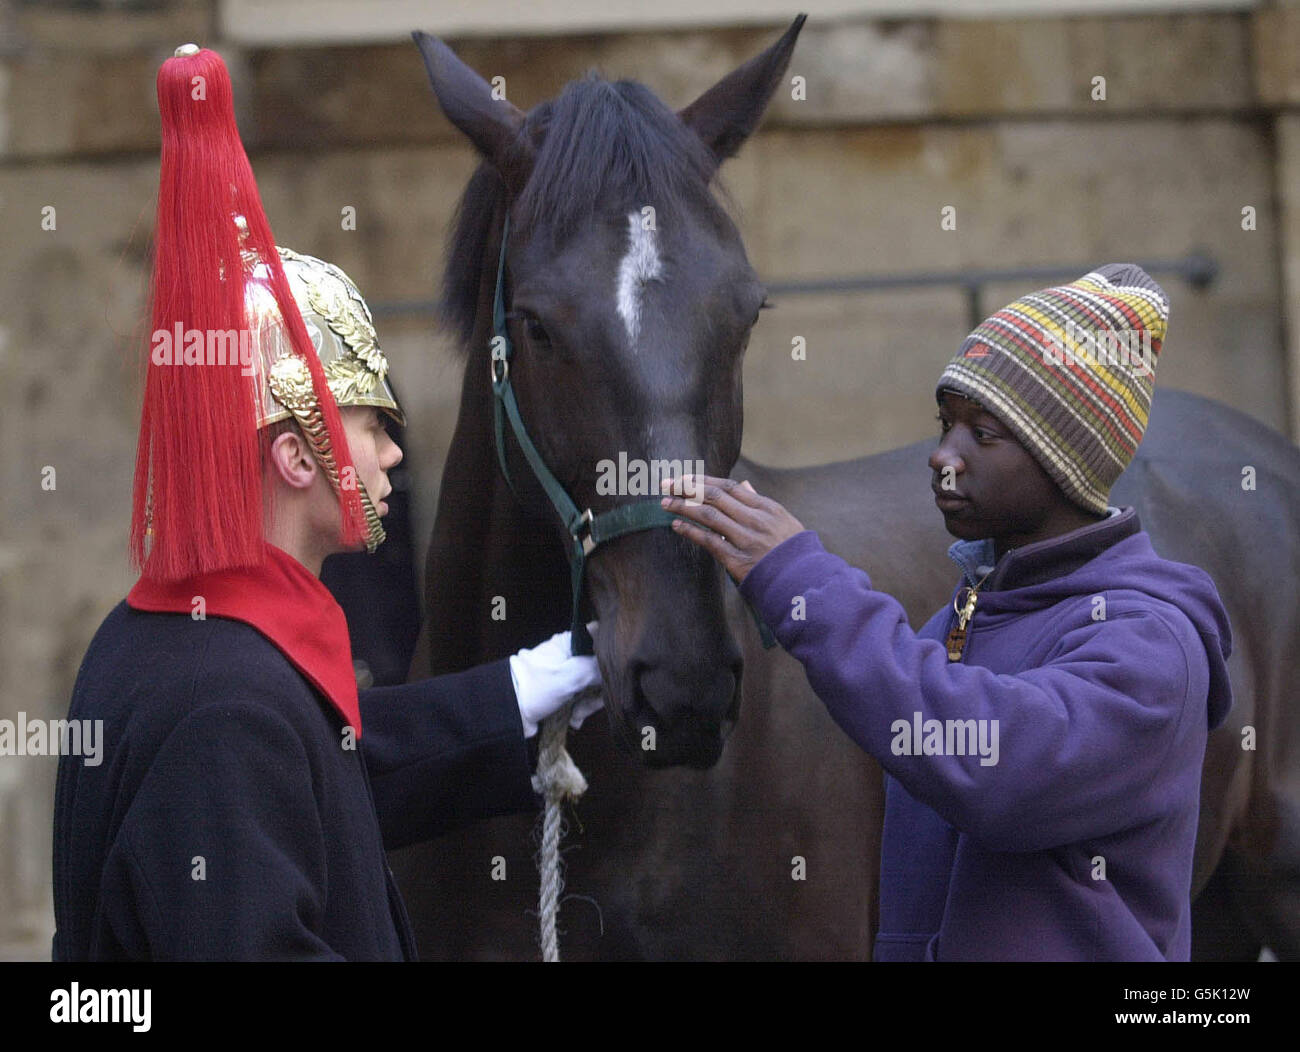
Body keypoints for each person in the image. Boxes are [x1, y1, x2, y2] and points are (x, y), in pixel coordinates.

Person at [51, 45, 601, 961]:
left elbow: (329, 771)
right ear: (295, 458)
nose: (392, 452)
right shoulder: (227, 706)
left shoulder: (184, 639)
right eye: (369, 423)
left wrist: (519, 694)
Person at [660, 264, 1233, 961]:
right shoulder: (959, 623)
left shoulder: (1151, 645)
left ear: (1067, 460)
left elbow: (993, 768)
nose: (942, 457)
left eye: (981, 434)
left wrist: (800, 580)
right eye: (945, 425)